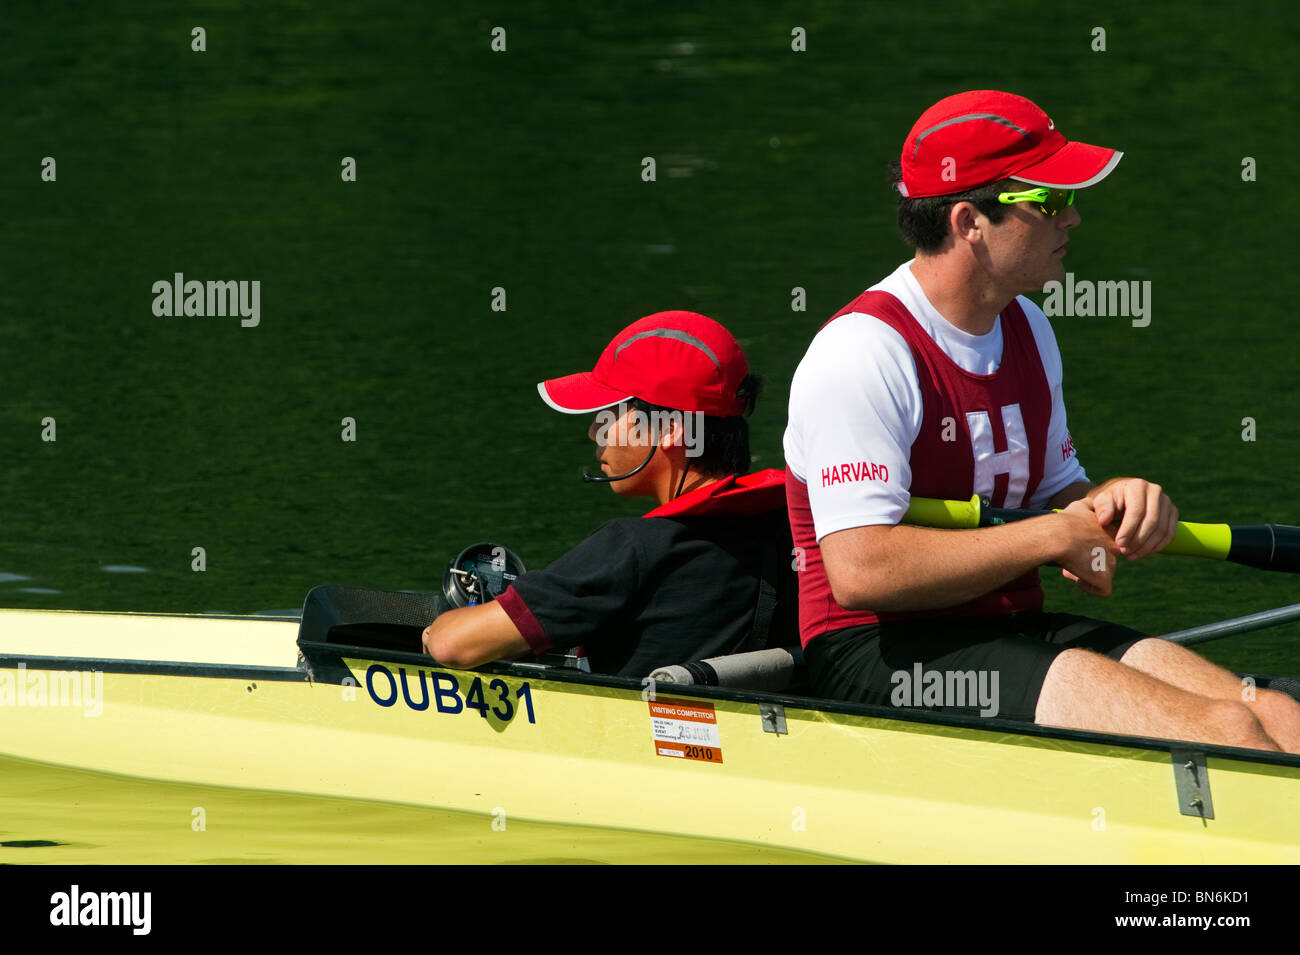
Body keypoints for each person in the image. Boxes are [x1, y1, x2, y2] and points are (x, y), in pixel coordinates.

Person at [784, 90, 1300, 752]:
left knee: (1279, 715)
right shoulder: (861, 353)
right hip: (879, 651)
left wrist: (1109, 506)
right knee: (1226, 731)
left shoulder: (1028, 327)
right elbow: (861, 571)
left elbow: (1064, 513)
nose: (1075, 218)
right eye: (1051, 201)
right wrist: (1051, 536)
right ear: (969, 221)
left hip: (1009, 628)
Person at [423, 310, 798, 677]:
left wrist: (438, 627)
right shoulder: (794, 526)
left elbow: (453, 645)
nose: (593, 432)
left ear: (671, 431)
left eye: (609, 413)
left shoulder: (631, 549)